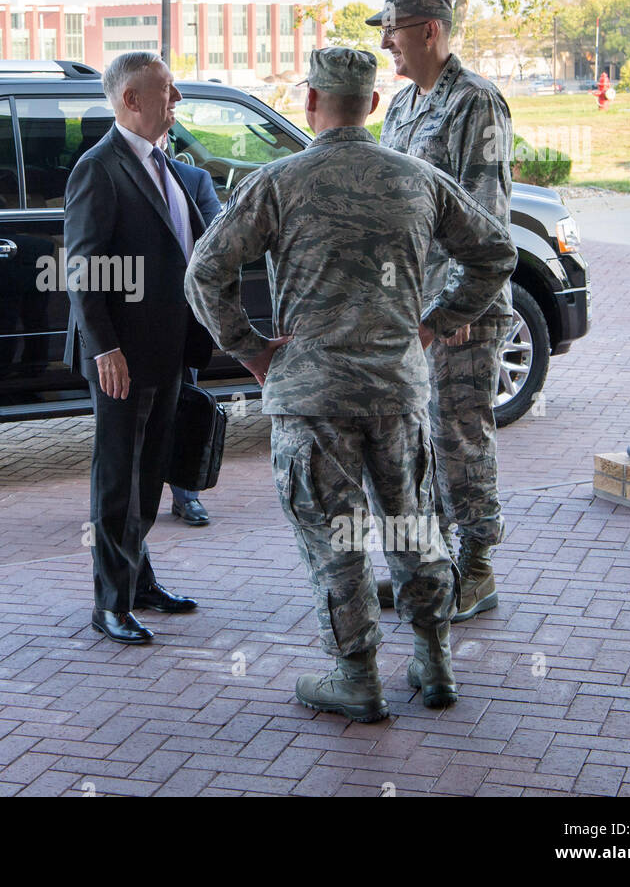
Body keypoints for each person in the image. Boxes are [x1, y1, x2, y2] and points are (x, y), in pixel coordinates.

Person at [184, 46, 515, 718]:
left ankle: (356, 678)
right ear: (371, 104)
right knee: (414, 529)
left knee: (337, 537)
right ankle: (435, 662)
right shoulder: (417, 179)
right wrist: (438, 321)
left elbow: (204, 274)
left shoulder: (278, 181)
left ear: (310, 100)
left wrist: (249, 349)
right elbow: (496, 252)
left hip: (314, 397)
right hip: (397, 390)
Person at [368, 0, 515, 623]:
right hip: (408, 313)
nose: (383, 43)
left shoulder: (476, 103)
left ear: (430, 31)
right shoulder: (402, 106)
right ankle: (429, 568)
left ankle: (476, 568)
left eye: (393, 29)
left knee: (460, 439)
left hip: (458, 317)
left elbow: (487, 217)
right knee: (417, 445)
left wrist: (454, 312)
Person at [63, 51, 213, 644]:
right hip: (122, 359)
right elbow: (82, 268)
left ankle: (139, 583)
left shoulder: (164, 164)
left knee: (150, 474)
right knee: (119, 481)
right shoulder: (99, 168)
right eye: (168, 92)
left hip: (169, 350)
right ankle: (108, 604)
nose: (176, 102)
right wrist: (105, 350)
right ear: (131, 99)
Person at [166, 148, 222, 526]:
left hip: (182, 316)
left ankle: (186, 495)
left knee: (185, 405)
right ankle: (126, 499)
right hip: (131, 318)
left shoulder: (194, 179)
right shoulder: (107, 170)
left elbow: (218, 239)